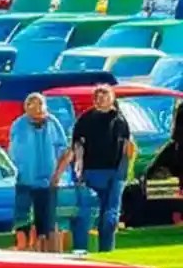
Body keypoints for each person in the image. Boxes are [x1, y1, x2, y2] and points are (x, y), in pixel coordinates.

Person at [58, 84, 135, 253]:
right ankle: (80, 250)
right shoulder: (85, 120)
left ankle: (107, 250)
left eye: (106, 96)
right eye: (99, 96)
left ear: (112, 98)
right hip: (90, 173)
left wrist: (125, 171)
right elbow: (77, 147)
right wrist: (78, 171)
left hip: (115, 173)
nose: (102, 99)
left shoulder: (120, 121)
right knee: (85, 214)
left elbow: (127, 147)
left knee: (110, 217)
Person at [8, 93, 68, 252]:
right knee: (22, 219)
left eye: (39, 104)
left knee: (47, 222)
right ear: (26, 108)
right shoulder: (19, 125)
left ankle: (47, 253)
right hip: (24, 181)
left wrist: (58, 175)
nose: (36, 108)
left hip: (48, 182)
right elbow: (15, 153)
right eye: (31, 105)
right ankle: (23, 250)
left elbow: (65, 151)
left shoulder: (53, 123)